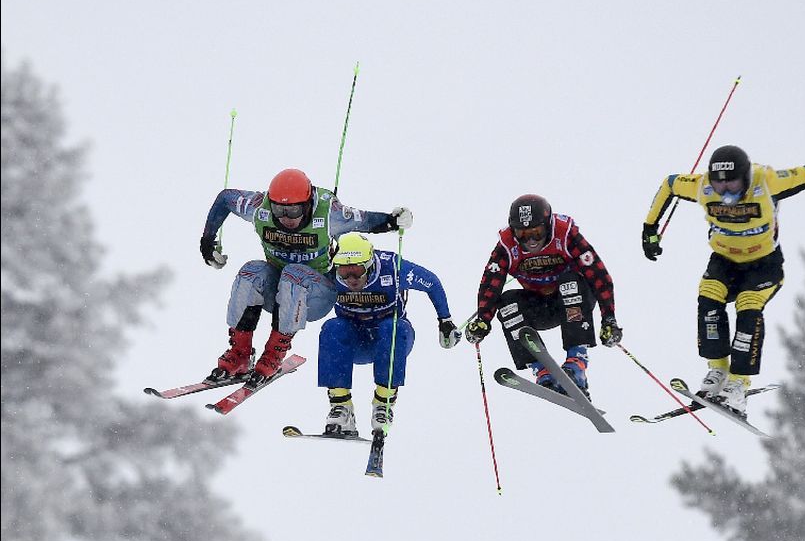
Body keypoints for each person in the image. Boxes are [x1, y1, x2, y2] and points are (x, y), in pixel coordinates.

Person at [640, 144, 805, 416]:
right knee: (708, 302)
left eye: (733, 184)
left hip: (763, 265)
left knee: (748, 307)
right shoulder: (702, 186)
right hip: (724, 261)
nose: (726, 193)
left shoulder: (768, 181)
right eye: (719, 186)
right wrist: (650, 229)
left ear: (747, 178)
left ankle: (738, 383)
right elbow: (669, 184)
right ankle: (718, 371)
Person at [199, 168, 413, 386]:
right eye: (278, 210)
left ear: (309, 203)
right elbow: (226, 198)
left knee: (295, 272)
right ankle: (239, 354)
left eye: (293, 212)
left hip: (317, 294)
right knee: (251, 271)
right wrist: (207, 241)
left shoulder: (329, 213)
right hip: (279, 292)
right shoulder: (258, 208)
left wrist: (393, 221)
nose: (285, 218)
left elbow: (366, 220)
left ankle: (274, 354)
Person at [464, 194, 623, 398]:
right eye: (522, 234)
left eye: (536, 233)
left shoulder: (565, 234)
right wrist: (483, 321)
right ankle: (542, 370)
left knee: (570, 281)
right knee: (506, 303)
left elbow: (598, 275)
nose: (530, 241)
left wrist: (608, 317)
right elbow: (490, 283)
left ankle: (577, 364)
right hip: (540, 307)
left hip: (573, 302)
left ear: (547, 226)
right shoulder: (506, 246)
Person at [318, 232, 461, 442]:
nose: (350, 280)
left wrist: (445, 320)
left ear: (369, 264)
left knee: (392, 327)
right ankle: (341, 407)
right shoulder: (329, 270)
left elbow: (431, 282)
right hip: (354, 343)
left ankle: (383, 404)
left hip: (391, 339)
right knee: (332, 327)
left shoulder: (392, 267)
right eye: (344, 273)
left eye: (357, 272)